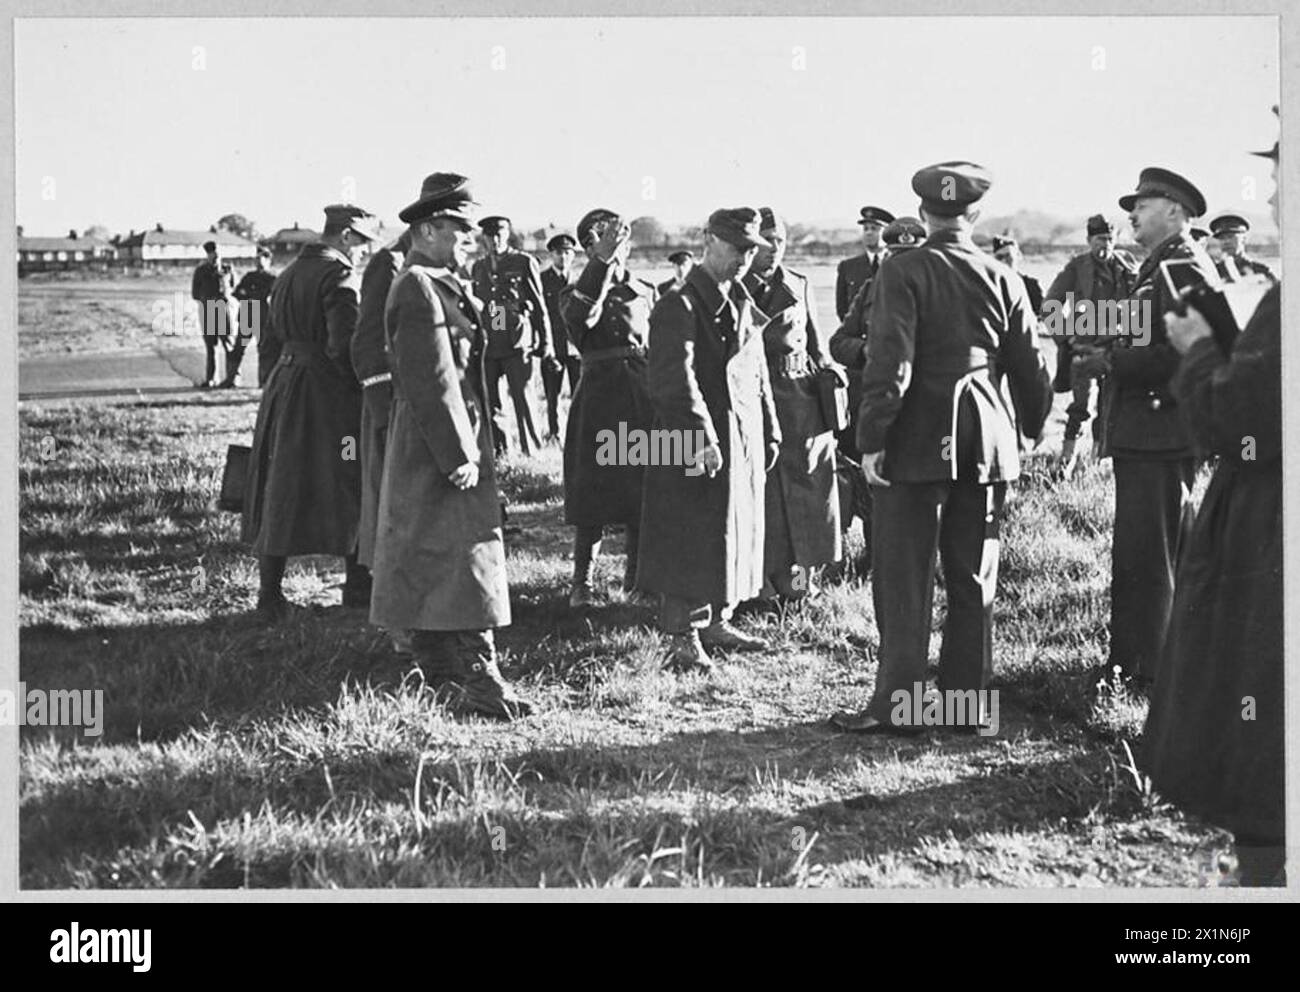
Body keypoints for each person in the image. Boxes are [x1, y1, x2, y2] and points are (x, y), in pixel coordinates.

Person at [831, 162, 1052, 734]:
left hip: (915, 439)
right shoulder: (1002, 275)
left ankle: (899, 709)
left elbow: (892, 365)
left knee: (904, 577)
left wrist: (872, 438)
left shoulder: (903, 270)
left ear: (925, 215)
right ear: (974, 214)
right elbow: (1031, 366)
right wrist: (1027, 428)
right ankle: (965, 707)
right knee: (973, 576)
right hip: (985, 440)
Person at [1142, 131, 1283, 886]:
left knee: (1258, 735)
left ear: (1172, 213)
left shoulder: (1186, 270)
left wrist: (1195, 350)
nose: (1272, 194)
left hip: (1264, 526)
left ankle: (1263, 877)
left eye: (1283, 171)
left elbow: (1245, 417)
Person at [370, 173, 532, 719]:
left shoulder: (442, 282)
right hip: (438, 442)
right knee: (460, 557)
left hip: (448, 439)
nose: (472, 240)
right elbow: (432, 378)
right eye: (460, 230)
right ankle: (477, 676)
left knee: (439, 554)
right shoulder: (416, 285)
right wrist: (458, 452)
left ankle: (444, 676)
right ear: (427, 229)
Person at [637, 208, 780, 673]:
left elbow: (756, 374)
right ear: (708, 241)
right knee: (690, 533)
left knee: (730, 529)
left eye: (751, 249)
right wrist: (700, 435)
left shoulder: (738, 300)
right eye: (736, 247)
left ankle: (718, 617)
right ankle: (682, 632)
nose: (744, 257)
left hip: (737, 438)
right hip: (691, 439)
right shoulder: (678, 305)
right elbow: (673, 381)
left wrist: (770, 428)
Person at [1100, 167, 1217, 689]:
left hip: (1160, 429)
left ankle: (1142, 670)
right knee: (1148, 550)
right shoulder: (1158, 267)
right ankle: (1148, 662)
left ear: (1174, 211)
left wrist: (1110, 361)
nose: (1132, 215)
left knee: (1149, 555)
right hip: (1148, 429)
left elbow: (1186, 352)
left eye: (1143, 206)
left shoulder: (1184, 266)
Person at [241, 204, 380, 617]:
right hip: (328, 398)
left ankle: (270, 595)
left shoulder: (285, 277)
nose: (363, 253)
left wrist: (274, 386)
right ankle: (357, 585)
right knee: (349, 472)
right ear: (347, 237)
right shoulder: (339, 276)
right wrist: (363, 388)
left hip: (284, 391)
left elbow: (267, 342)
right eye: (363, 244)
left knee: (280, 485)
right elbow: (344, 346)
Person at [743, 207, 842, 601]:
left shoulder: (799, 285)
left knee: (809, 499)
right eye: (766, 241)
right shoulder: (736, 286)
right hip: (754, 397)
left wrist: (832, 374)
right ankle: (762, 585)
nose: (774, 250)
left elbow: (818, 346)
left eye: (780, 241)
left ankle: (802, 586)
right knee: (764, 496)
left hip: (800, 401)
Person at [559, 210, 657, 608]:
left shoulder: (646, 290)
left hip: (639, 395)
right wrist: (602, 261)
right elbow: (582, 318)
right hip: (598, 397)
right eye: (605, 239)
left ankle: (636, 582)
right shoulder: (574, 291)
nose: (620, 246)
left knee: (640, 490)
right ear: (589, 246)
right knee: (591, 494)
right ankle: (581, 584)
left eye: (622, 238)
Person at [828, 215, 926, 573]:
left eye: (909, 256)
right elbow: (837, 342)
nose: (900, 264)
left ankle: (916, 558)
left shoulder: (935, 295)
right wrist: (867, 351)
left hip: (919, 404)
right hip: (872, 401)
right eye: (895, 254)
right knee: (874, 484)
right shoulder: (870, 290)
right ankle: (875, 555)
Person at [1041, 215, 1138, 474]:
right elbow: (1050, 305)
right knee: (1080, 407)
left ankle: (1097, 461)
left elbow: (1139, 303)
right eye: (1099, 240)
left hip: (1115, 350)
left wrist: (1135, 341)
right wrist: (1067, 338)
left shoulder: (1127, 266)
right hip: (1084, 351)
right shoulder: (1077, 267)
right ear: (1088, 240)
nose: (1105, 245)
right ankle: (1066, 460)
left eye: (1109, 239)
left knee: (1109, 408)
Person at [352, 228, 412, 577]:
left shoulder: (417, 265)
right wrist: (381, 403)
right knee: (385, 490)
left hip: (410, 399)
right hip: (389, 400)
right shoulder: (390, 264)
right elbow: (368, 341)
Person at [470, 215, 553, 456]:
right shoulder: (479, 267)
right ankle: (502, 452)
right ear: (484, 238)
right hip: (489, 344)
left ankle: (532, 452)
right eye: (490, 236)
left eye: (499, 235)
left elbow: (539, 306)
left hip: (517, 343)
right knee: (493, 403)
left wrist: (545, 342)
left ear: (507, 235)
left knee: (523, 399)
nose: (494, 240)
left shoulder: (523, 262)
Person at [539, 232, 582, 439]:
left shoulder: (581, 281)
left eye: (567, 253)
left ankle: (577, 434)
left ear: (573, 256)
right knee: (552, 395)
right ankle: (554, 433)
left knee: (579, 394)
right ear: (551, 255)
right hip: (552, 346)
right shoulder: (542, 280)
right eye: (558, 253)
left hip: (575, 346)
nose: (563, 257)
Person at [834, 205, 894, 321]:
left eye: (874, 228)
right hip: (858, 337)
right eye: (865, 229)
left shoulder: (898, 265)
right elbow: (842, 309)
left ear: (887, 233)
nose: (869, 233)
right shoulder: (847, 267)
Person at [191, 240, 235, 388]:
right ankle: (211, 378)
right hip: (208, 309)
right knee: (211, 346)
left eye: (217, 253)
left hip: (224, 309)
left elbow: (232, 287)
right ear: (207, 255)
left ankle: (233, 378)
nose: (215, 256)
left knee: (228, 344)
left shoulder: (228, 269)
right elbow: (195, 293)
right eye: (211, 253)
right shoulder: (201, 271)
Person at [232, 246, 277, 388]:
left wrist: (251, 294)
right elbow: (238, 292)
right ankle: (232, 379)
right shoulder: (249, 276)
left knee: (264, 350)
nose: (259, 261)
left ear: (269, 260)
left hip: (262, 317)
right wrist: (250, 295)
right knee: (238, 348)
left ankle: (263, 382)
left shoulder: (272, 278)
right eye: (257, 259)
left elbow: (268, 295)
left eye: (262, 258)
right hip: (246, 315)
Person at [1210, 214, 1276, 282]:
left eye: (1230, 236)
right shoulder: (1213, 273)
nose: (1226, 242)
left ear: (1244, 239)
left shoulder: (1262, 271)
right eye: (1222, 238)